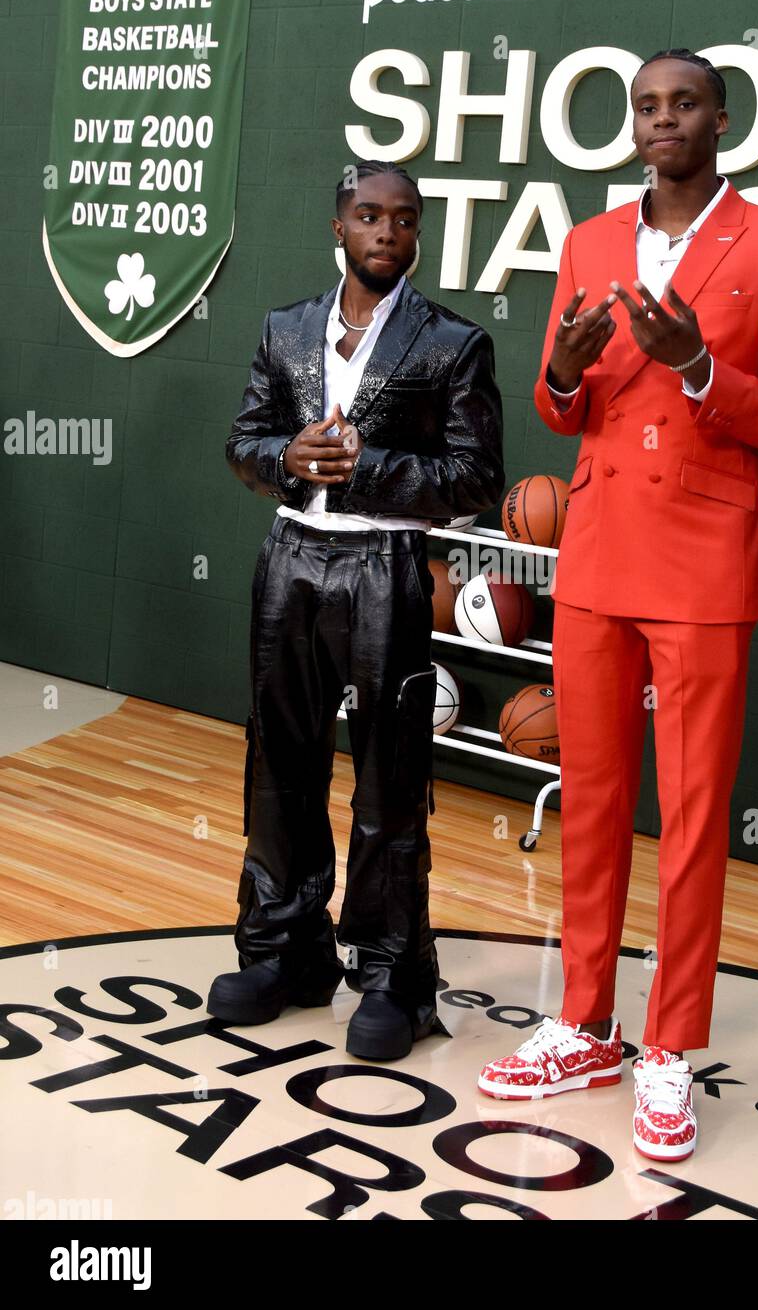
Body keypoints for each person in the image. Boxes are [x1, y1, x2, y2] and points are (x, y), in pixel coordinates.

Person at [477, 49, 758, 1160]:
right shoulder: (586, 244)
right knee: (588, 799)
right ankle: (584, 1022)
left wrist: (698, 371)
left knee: (688, 821)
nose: (662, 119)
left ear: (723, 122)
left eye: (683, 104)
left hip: (706, 570)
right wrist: (569, 374)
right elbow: (558, 408)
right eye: (645, 105)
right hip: (597, 557)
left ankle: (669, 1049)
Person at [209, 159, 504, 1061]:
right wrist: (287, 458)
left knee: (388, 777)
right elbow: (242, 443)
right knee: (279, 762)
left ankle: (392, 977)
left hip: (386, 564)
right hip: (291, 554)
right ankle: (284, 952)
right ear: (338, 227)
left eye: (403, 219)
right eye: (369, 216)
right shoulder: (285, 327)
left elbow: (477, 480)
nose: (386, 232)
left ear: (417, 234)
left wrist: (366, 468)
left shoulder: (454, 342)